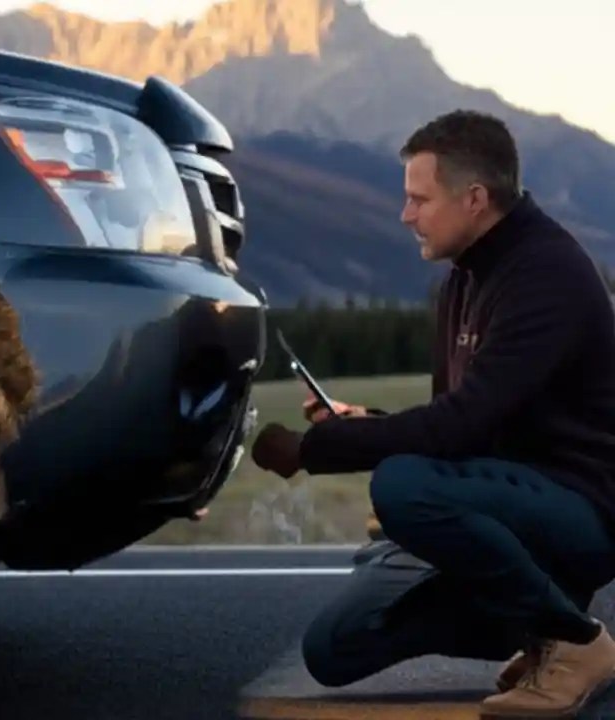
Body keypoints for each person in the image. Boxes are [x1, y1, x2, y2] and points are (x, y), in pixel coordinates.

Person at [250, 109, 615, 718]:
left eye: (419, 199)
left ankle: (576, 641)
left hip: (579, 514)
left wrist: (313, 451)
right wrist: (361, 421)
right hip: (507, 501)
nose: (406, 214)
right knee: (335, 647)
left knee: (403, 486)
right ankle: (536, 624)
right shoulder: (462, 281)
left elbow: (458, 427)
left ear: (474, 199)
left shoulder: (546, 273)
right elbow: (460, 421)